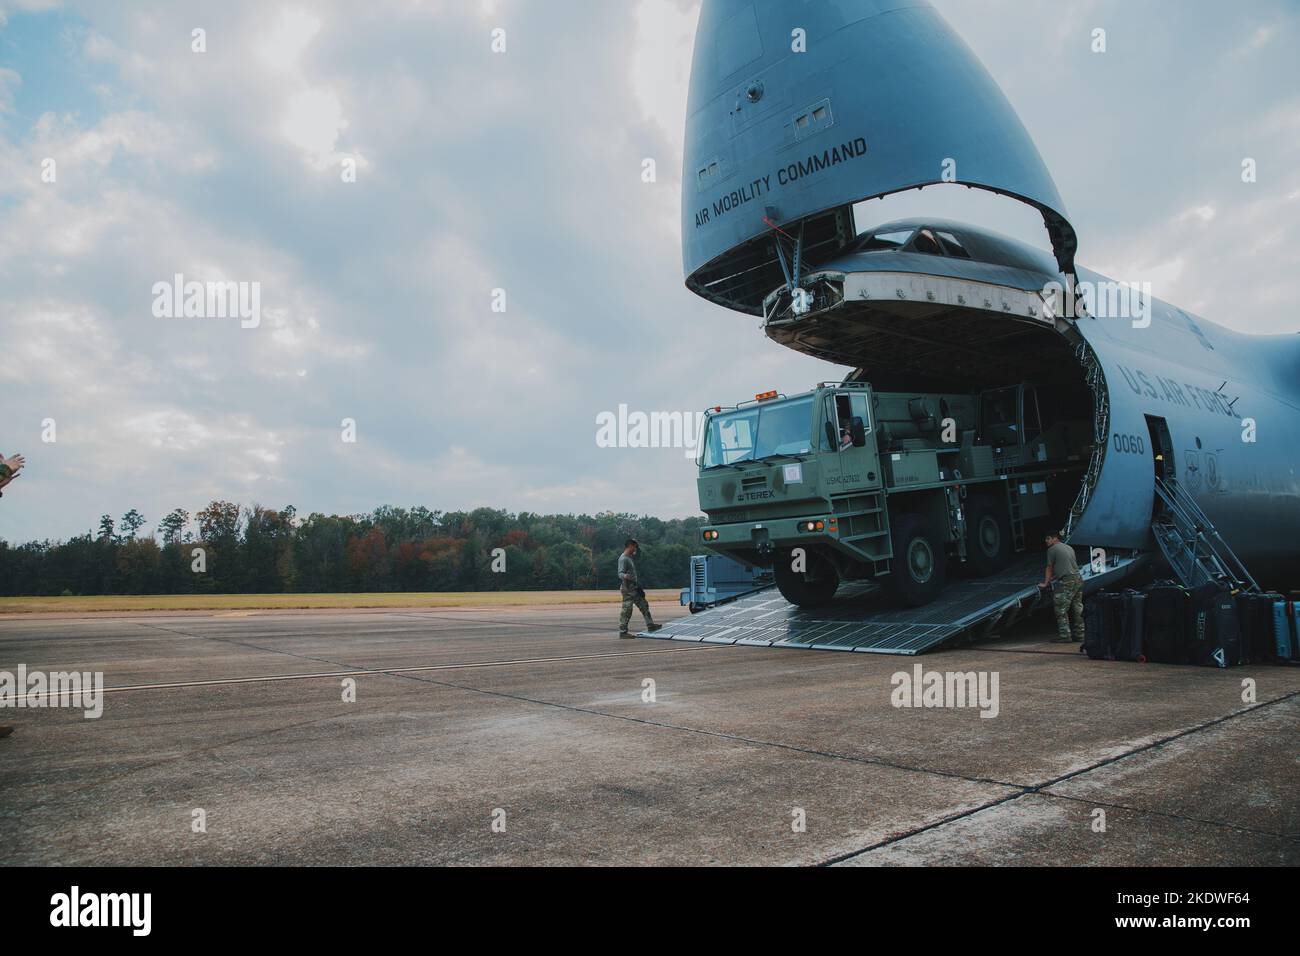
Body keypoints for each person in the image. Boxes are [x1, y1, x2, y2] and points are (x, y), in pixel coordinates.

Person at [1039, 529, 1084, 643]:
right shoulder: (1068, 547)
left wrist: (1045, 583)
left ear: (1055, 538)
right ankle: (1080, 635)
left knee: (1060, 608)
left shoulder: (1052, 550)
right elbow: (1067, 566)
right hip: (1078, 578)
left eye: (1048, 538)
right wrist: (1054, 577)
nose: (1046, 541)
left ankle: (1065, 635)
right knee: (1077, 607)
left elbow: (1049, 567)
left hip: (1067, 581)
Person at [617, 539, 662, 639]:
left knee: (644, 605)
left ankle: (651, 626)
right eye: (635, 547)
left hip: (634, 587)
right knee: (627, 610)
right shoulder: (623, 559)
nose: (635, 549)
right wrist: (625, 576)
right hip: (628, 588)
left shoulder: (629, 557)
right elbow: (620, 573)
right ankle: (623, 632)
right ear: (630, 546)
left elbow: (639, 556)